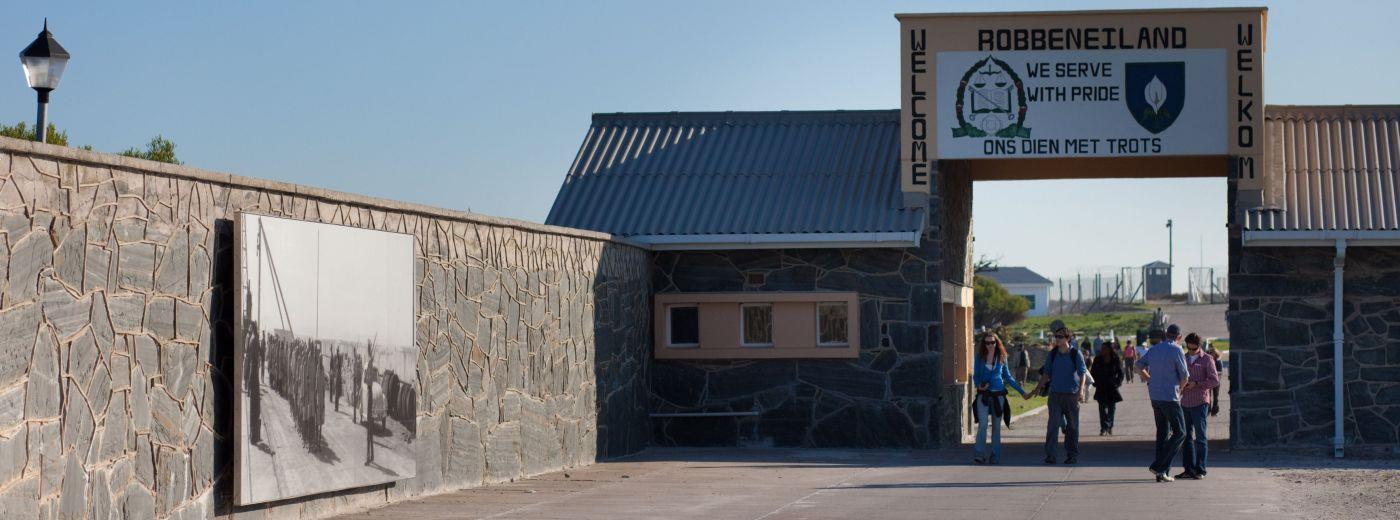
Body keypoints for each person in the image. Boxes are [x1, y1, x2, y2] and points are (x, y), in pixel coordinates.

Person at [1137, 324, 1190, 482]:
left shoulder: (1154, 349)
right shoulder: (1177, 350)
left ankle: (1162, 473)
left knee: (1162, 433)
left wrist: (1149, 379)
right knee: (1180, 432)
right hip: (1169, 397)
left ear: (1166, 335)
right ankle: (1159, 466)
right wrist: (1180, 389)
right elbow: (1185, 376)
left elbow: (1138, 365)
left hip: (1155, 395)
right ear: (1179, 337)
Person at [972, 332, 1029, 464]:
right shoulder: (980, 357)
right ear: (984, 344)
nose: (990, 345)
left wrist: (1022, 392)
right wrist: (979, 385)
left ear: (997, 343)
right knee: (983, 424)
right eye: (987, 343)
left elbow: (1008, 377)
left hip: (998, 395)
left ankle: (995, 455)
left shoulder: (1002, 357)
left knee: (996, 427)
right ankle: (979, 454)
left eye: (993, 342)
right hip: (984, 395)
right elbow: (975, 375)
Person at [1036, 325, 1087, 464]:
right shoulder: (1052, 354)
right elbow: (1046, 373)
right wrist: (1038, 388)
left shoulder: (1075, 354)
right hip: (1055, 396)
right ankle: (1051, 455)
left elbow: (1082, 374)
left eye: (1060, 337)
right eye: (1056, 336)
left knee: (1072, 427)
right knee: (1053, 426)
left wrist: (1081, 391)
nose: (1057, 339)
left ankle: (1072, 455)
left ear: (1067, 338)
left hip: (1071, 395)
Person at [1179, 333, 1220, 479]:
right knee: (1186, 437)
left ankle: (1200, 469)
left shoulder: (1207, 359)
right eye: (1188, 348)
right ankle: (1188, 469)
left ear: (1199, 346)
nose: (1191, 351)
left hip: (1200, 402)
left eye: (1194, 348)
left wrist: (1197, 384)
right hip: (1184, 402)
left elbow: (1214, 381)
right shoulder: (1183, 358)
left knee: (1201, 437)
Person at [1091, 342, 1124, 436]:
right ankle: (1104, 428)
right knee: (1102, 408)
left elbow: (1121, 373)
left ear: (1109, 349)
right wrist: (1095, 383)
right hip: (1101, 386)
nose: (1102, 350)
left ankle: (1109, 426)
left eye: (1104, 348)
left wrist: (1118, 383)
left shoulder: (1115, 359)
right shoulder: (1097, 359)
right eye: (1101, 348)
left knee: (1111, 408)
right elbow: (1092, 372)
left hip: (1112, 387)